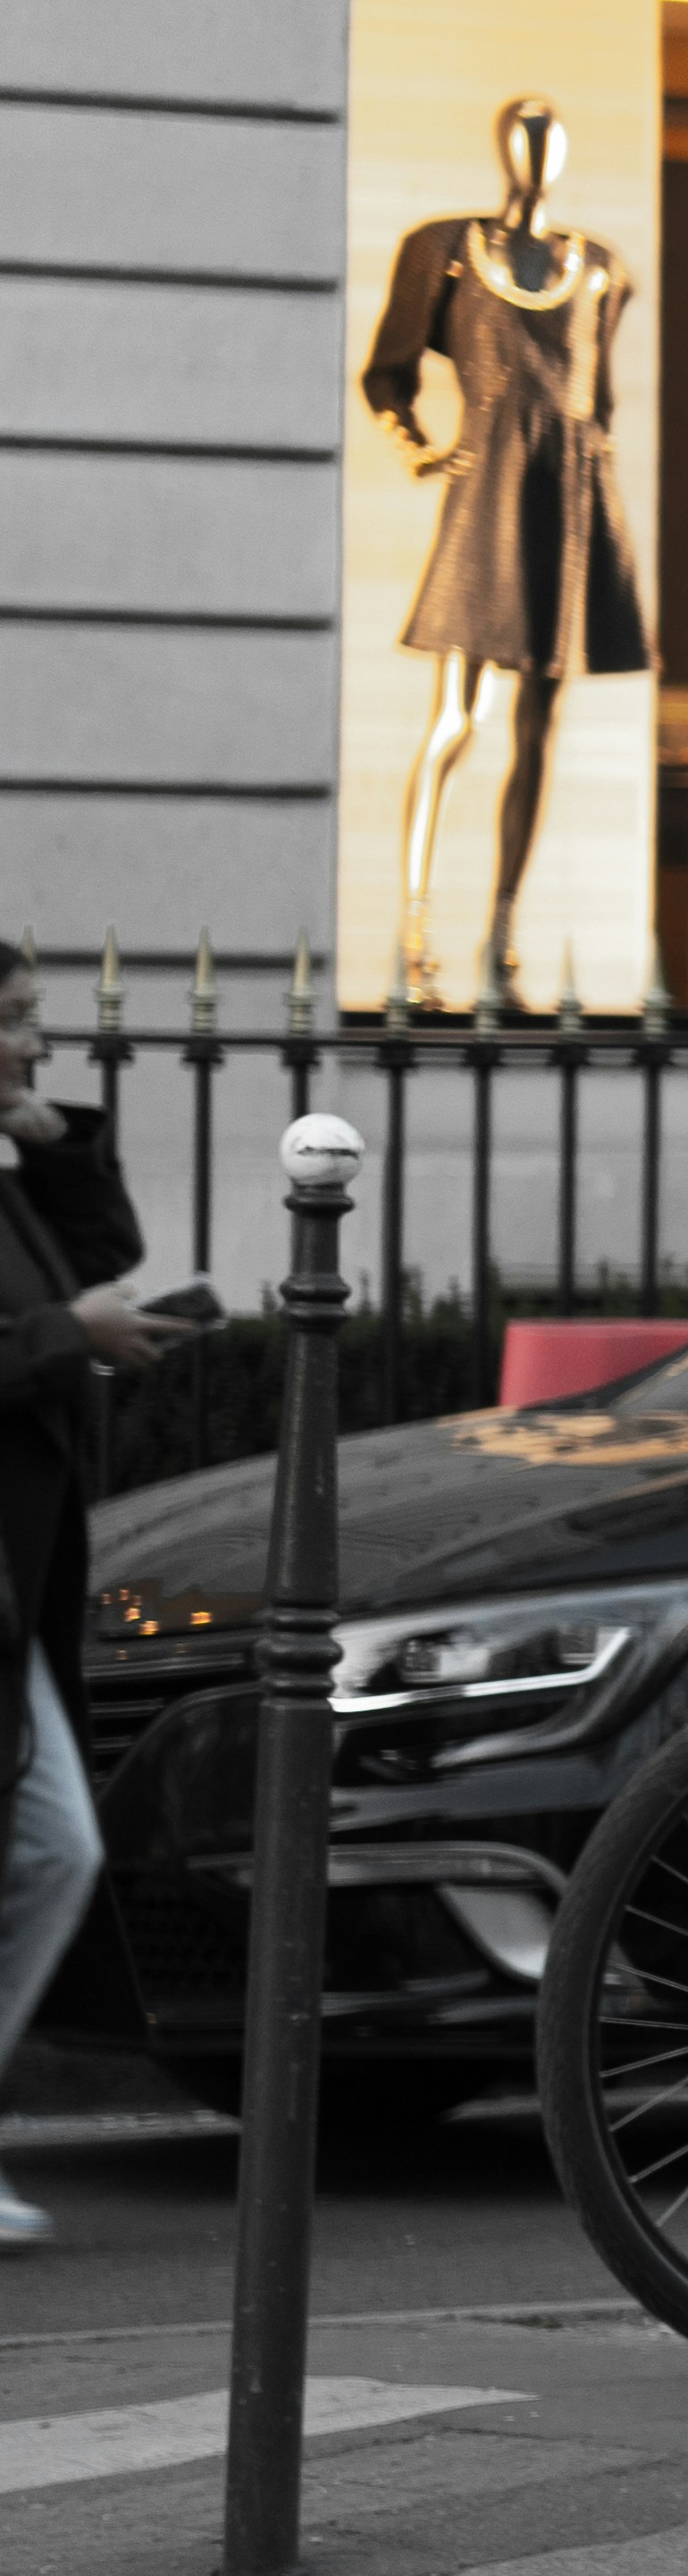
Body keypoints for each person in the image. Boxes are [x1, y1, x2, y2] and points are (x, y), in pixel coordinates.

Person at [0, 952, 157, 2250]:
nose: (32, 1048)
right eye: (13, 1025)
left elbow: (105, 1253)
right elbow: (48, 1320)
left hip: (20, 1585)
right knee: (50, 1845)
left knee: (56, 1849)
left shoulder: (10, 1177)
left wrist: (55, 1142)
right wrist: (70, 1337)